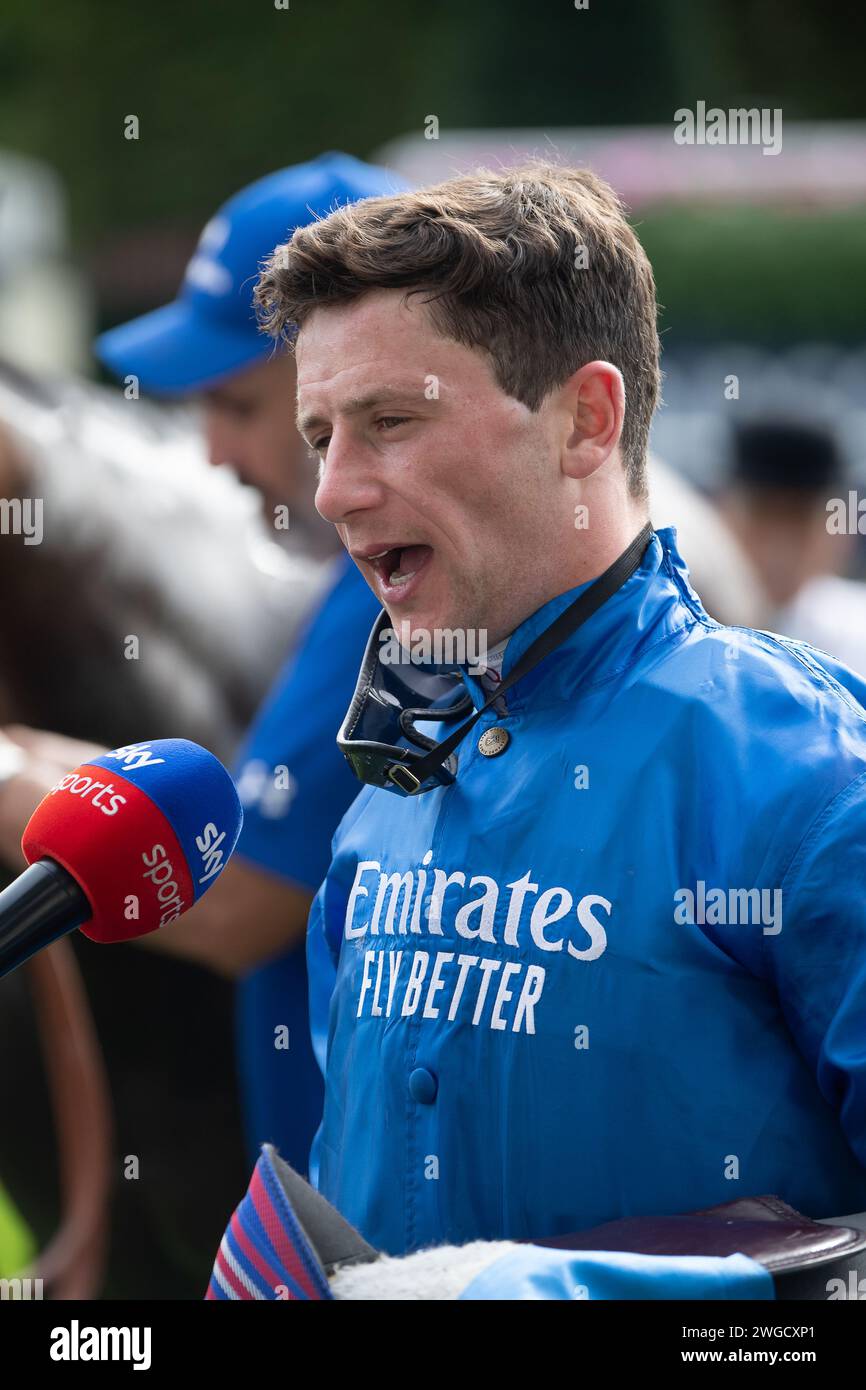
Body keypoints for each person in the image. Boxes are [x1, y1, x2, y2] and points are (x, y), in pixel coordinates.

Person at [253, 161, 866, 1253]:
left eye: (389, 420)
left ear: (583, 421)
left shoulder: (806, 777)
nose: (334, 491)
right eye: (319, 436)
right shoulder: (381, 804)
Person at [0, 153, 398, 1175]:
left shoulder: (388, 601)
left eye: (239, 407)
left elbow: (230, 904)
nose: (212, 457)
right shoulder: (379, 587)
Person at [718, 418, 866, 676]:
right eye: (764, 515)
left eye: (800, 518)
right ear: (723, 513)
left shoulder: (857, 632)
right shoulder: (678, 618)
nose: (780, 547)